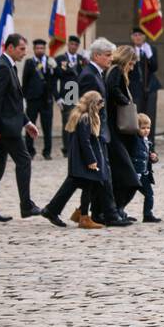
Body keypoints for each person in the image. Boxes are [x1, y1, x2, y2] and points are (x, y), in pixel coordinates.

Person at [0, 33, 44, 222]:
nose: (25, 53)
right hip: (5, 128)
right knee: (24, 161)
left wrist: (27, 122)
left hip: (9, 124)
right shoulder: (1, 67)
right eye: (21, 49)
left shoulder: (8, 66)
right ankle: (26, 206)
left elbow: (13, 101)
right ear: (9, 48)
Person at [77, 38, 129, 226]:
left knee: (96, 175)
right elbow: (84, 108)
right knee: (100, 174)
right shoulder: (89, 75)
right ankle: (110, 214)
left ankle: (88, 212)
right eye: (107, 56)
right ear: (96, 55)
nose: (110, 59)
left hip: (100, 132)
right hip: (94, 132)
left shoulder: (97, 73)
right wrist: (92, 134)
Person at [40, 89, 109, 230]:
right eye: (99, 103)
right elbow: (85, 142)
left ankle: (74, 213)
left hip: (80, 161)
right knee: (89, 185)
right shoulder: (85, 119)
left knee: (85, 185)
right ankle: (82, 216)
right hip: (84, 161)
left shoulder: (84, 117)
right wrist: (91, 160)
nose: (102, 106)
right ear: (93, 104)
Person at [105, 44, 142, 217]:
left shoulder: (118, 71)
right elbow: (112, 90)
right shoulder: (116, 70)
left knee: (122, 174)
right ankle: (115, 209)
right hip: (113, 129)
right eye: (132, 64)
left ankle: (117, 209)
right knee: (128, 175)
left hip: (116, 130)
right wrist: (126, 103)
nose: (132, 68)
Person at [22, 38, 57, 160]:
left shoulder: (50, 62)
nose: (40, 50)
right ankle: (30, 151)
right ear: (34, 49)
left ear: (45, 49)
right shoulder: (29, 62)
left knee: (47, 127)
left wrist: (55, 96)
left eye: (42, 48)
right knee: (30, 126)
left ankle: (47, 152)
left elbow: (54, 81)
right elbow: (25, 81)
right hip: (32, 100)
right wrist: (24, 98)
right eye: (37, 48)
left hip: (46, 100)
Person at [129, 27, 161, 145]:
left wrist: (149, 56)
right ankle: (137, 142)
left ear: (144, 37)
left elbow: (154, 67)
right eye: (135, 35)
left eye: (140, 35)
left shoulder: (151, 49)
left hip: (150, 87)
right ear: (132, 37)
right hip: (135, 88)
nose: (138, 37)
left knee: (150, 115)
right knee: (137, 116)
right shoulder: (130, 50)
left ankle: (150, 142)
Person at [54, 35, 83, 156]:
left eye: (76, 45)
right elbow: (55, 78)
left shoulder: (82, 59)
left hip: (80, 95)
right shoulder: (61, 59)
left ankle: (78, 147)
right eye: (71, 44)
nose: (73, 47)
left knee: (80, 123)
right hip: (67, 94)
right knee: (67, 122)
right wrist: (57, 97)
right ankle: (67, 148)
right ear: (68, 44)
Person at [134, 113, 161, 223]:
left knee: (149, 194)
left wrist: (154, 157)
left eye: (148, 128)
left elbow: (152, 155)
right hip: (135, 174)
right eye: (143, 128)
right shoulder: (134, 140)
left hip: (144, 174)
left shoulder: (148, 142)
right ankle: (119, 212)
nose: (146, 130)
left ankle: (147, 214)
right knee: (125, 196)